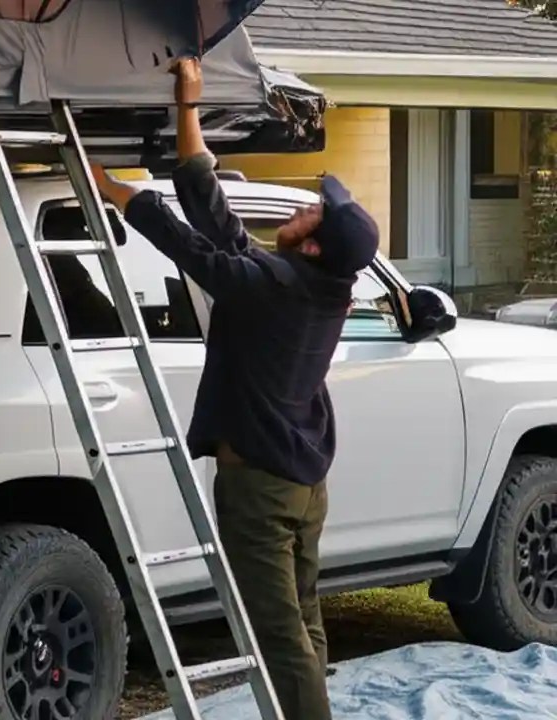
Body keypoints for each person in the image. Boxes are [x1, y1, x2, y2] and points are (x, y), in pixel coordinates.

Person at [90, 58, 379, 720]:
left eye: (314, 213)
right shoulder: (317, 287)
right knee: (302, 627)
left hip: (262, 493)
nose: (307, 207)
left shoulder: (271, 291)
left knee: (281, 641)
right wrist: (187, 105)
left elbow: (191, 247)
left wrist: (113, 189)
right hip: (303, 485)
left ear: (310, 247)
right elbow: (214, 216)